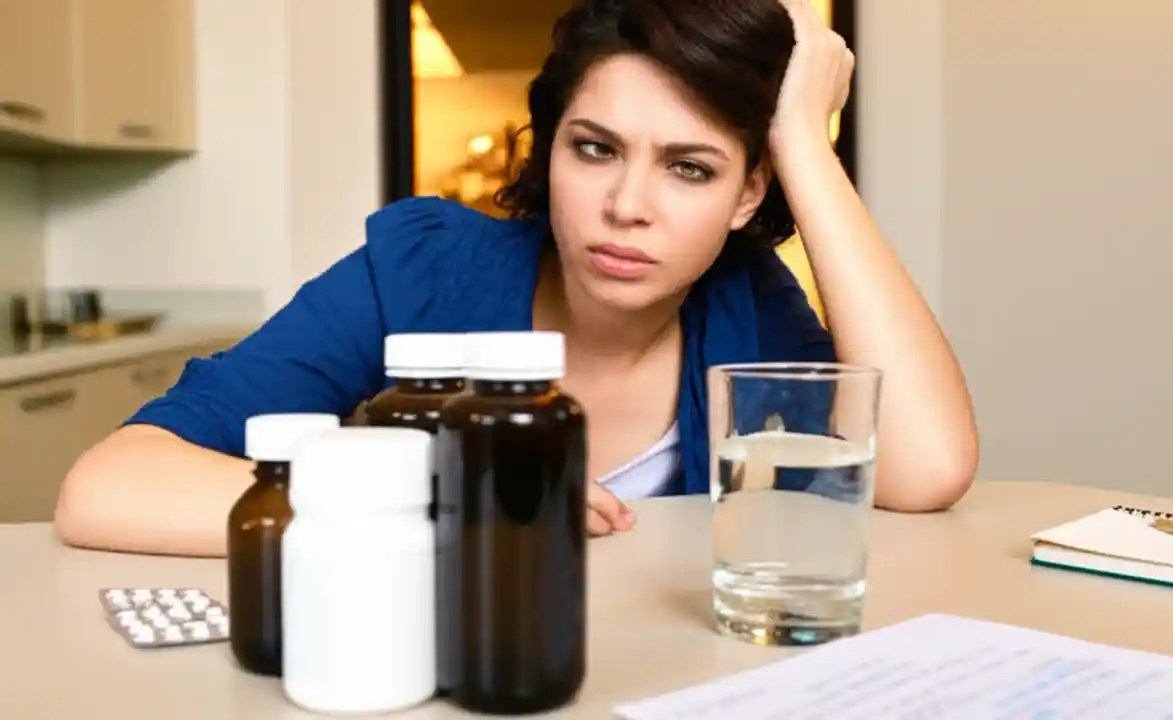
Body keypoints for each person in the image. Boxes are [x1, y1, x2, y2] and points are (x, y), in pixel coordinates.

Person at [54, 0, 979, 557]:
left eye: (690, 168)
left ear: (747, 196)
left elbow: (926, 467)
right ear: (552, 151)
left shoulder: (746, 303)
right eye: (595, 149)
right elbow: (109, 486)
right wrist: (444, 500)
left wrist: (804, 150)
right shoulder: (422, 268)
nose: (627, 204)